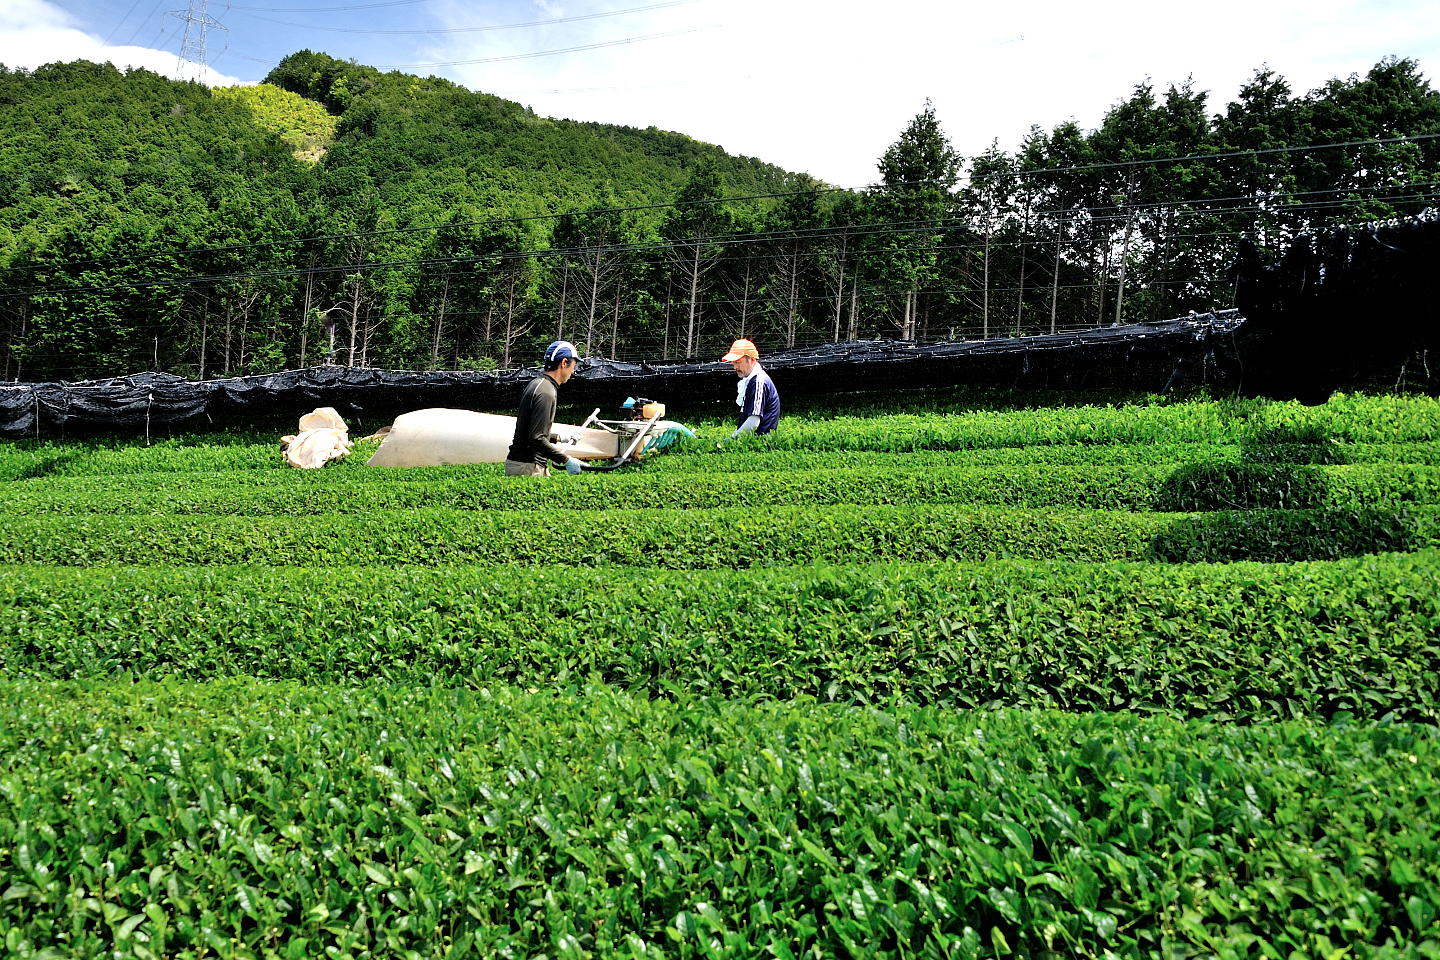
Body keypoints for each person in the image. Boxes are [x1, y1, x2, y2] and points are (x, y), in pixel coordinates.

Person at [504, 340, 586, 476]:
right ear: (564, 362)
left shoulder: (537, 384)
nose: (573, 371)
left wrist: (559, 438)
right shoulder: (546, 391)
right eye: (573, 366)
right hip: (528, 467)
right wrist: (566, 460)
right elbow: (536, 438)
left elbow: (529, 431)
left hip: (522, 464)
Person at [720, 338, 780, 437]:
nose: (735, 367)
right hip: (750, 441)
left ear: (751, 360)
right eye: (733, 363)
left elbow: (754, 421)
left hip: (759, 443)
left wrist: (731, 440)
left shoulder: (759, 382)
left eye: (738, 362)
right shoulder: (750, 380)